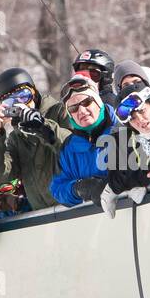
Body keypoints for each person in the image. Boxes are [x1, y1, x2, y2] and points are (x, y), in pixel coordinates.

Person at [0, 67, 69, 211]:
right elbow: (0, 174)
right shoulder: (16, 137)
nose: (20, 104)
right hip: (43, 215)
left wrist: (41, 125)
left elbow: (75, 147)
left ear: (34, 93)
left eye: (23, 96)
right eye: (11, 103)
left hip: (74, 207)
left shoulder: (60, 112)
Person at [51, 74, 120, 207]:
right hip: (95, 221)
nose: (81, 111)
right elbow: (57, 189)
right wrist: (77, 188)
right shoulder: (68, 147)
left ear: (98, 101)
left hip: (133, 212)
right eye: (73, 108)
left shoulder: (124, 128)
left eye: (86, 102)